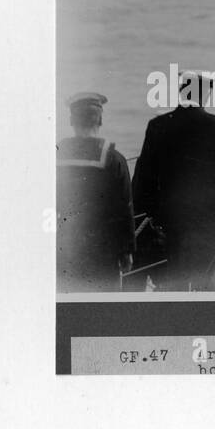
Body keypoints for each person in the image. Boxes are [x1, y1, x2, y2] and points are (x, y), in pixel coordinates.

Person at [132, 71, 215, 291]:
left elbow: (143, 177)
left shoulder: (158, 125)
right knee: (207, 278)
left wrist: (144, 216)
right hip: (209, 220)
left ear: (182, 93)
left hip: (170, 220)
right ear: (204, 96)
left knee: (174, 279)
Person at [55, 92, 134, 292]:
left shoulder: (54, 155)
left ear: (72, 120)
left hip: (65, 249)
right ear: (100, 119)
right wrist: (126, 252)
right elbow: (124, 210)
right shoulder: (114, 159)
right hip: (102, 253)